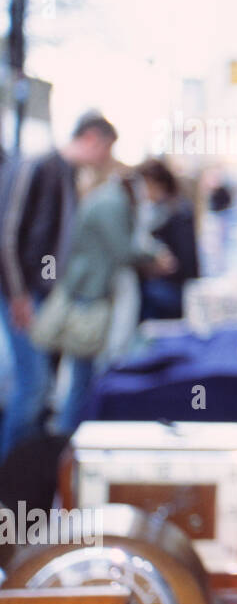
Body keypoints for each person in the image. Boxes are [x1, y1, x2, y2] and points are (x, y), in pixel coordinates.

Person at [0, 112, 118, 458]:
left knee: (41, 387)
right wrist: (18, 293)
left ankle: (30, 474)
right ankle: (11, 479)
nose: (105, 158)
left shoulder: (65, 174)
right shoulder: (37, 167)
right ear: (93, 139)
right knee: (33, 386)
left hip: (43, 295)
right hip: (23, 294)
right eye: (106, 148)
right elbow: (7, 235)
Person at [52, 167, 174, 433]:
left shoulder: (116, 199)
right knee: (82, 375)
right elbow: (122, 250)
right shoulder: (111, 201)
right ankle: (69, 439)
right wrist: (155, 258)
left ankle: (75, 435)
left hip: (96, 292)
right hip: (91, 294)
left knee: (85, 373)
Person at [136, 158, 199, 321]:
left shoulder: (175, 212)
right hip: (170, 285)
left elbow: (183, 261)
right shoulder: (158, 210)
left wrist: (156, 266)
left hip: (172, 288)